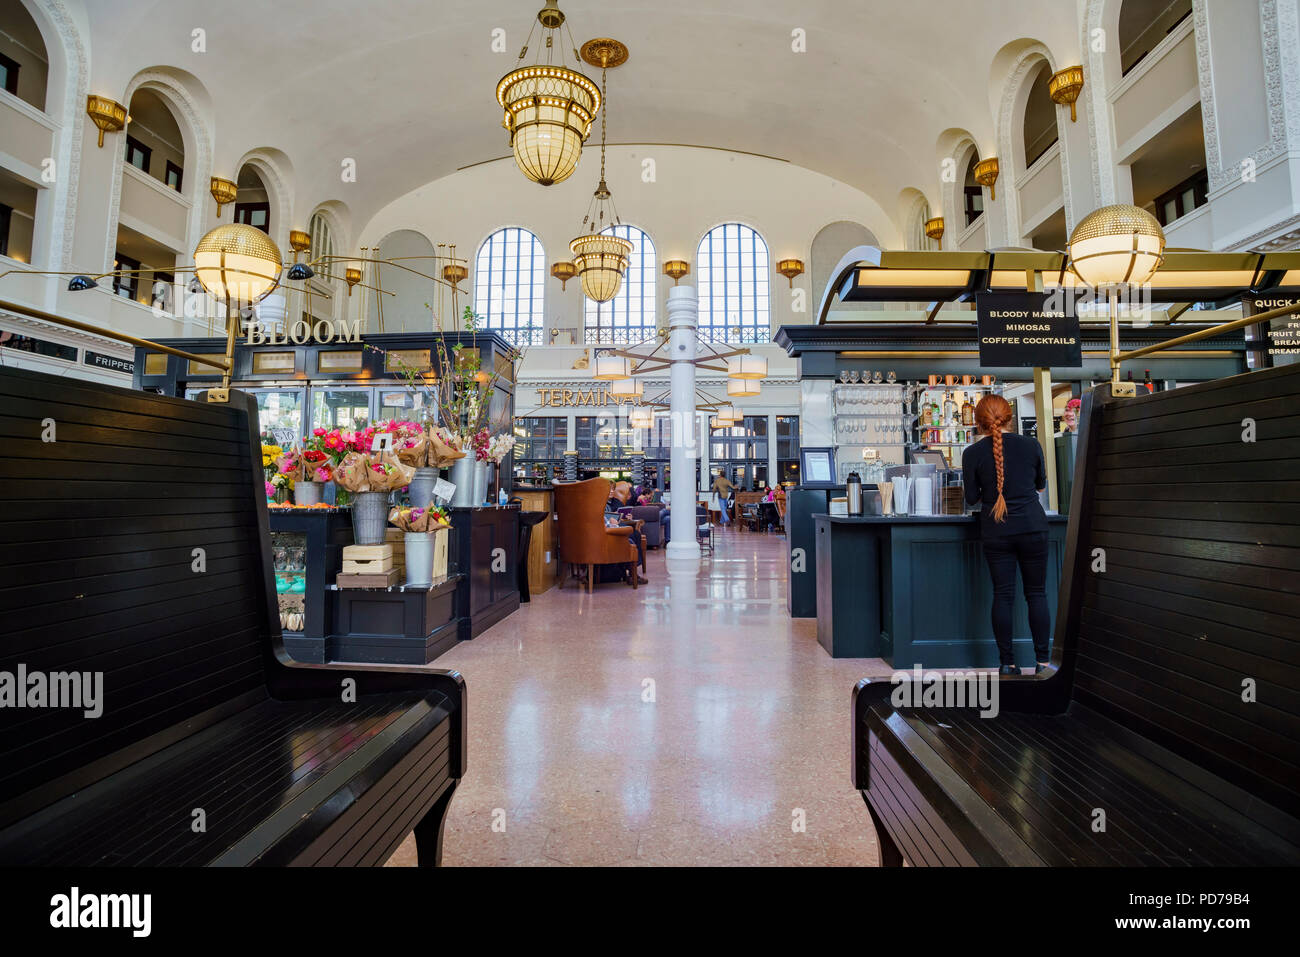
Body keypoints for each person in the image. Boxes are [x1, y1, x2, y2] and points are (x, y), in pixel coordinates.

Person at [962, 394, 1051, 676]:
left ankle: (1007, 664)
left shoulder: (971, 454)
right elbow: (1040, 486)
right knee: (1036, 594)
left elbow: (972, 498)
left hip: (997, 530)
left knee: (1003, 595)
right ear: (1010, 418)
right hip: (1033, 527)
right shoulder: (1031, 445)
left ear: (979, 424)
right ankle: (1043, 664)